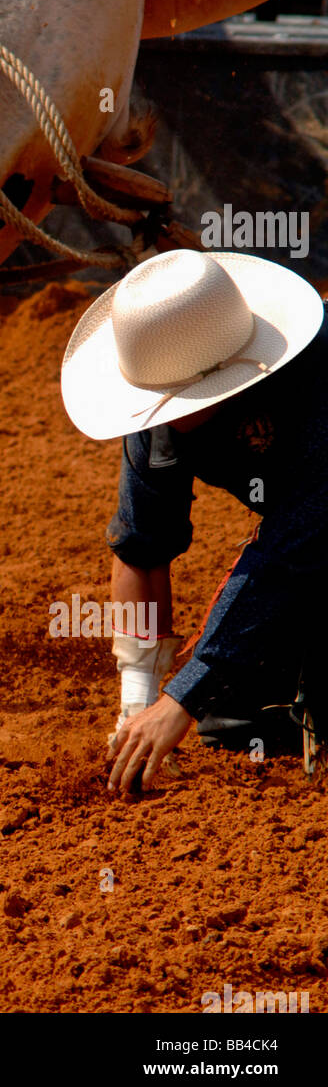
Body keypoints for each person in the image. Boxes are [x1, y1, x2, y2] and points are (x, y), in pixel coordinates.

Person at [60, 246, 326, 795]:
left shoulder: (320, 380)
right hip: (303, 542)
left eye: (181, 402)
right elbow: (142, 547)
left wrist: (180, 695)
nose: (168, 416)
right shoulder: (160, 409)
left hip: (312, 535)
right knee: (228, 714)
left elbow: (292, 552)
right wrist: (139, 702)